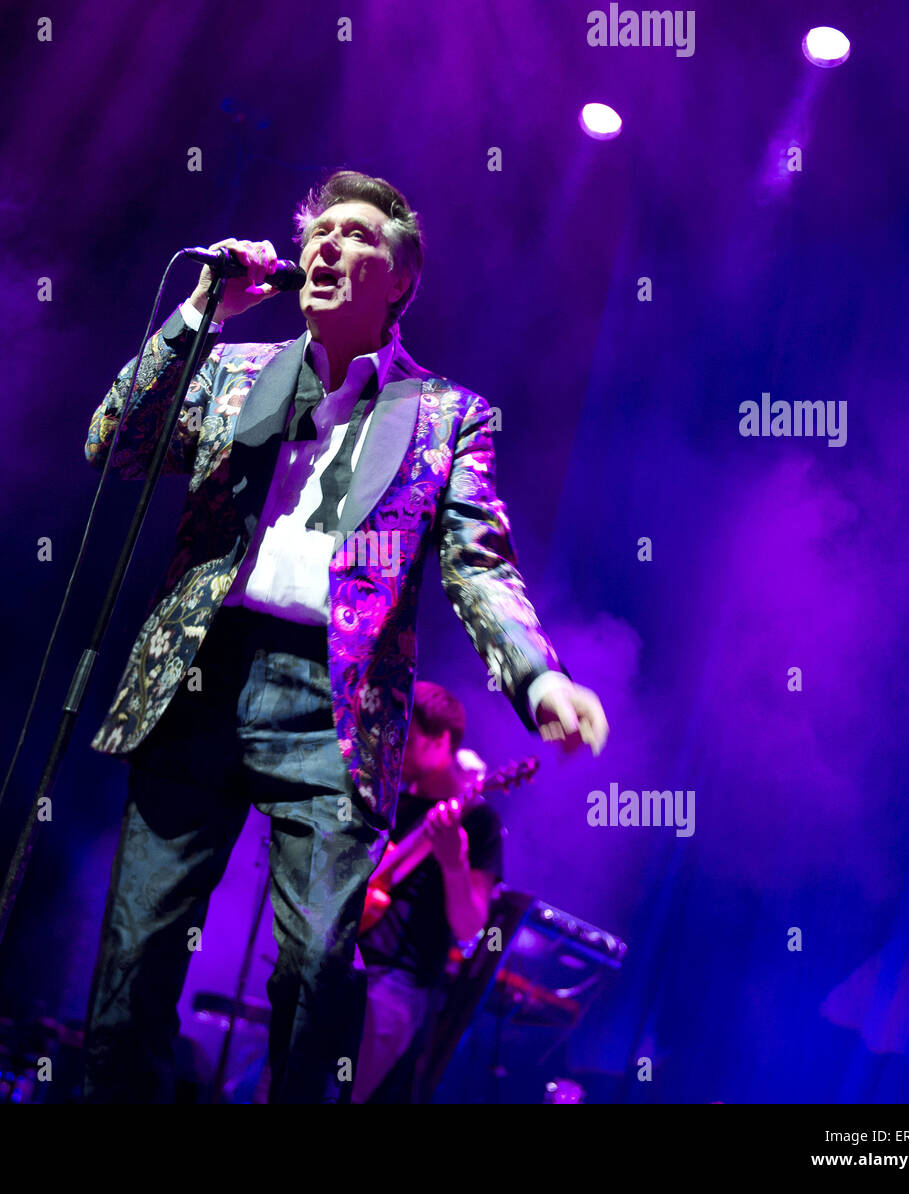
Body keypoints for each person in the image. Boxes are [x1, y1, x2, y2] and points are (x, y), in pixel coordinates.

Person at [81, 170, 608, 1104]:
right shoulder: (236, 367)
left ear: (400, 277)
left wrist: (539, 679)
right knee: (132, 970)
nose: (327, 245)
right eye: (318, 230)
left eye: (355, 235)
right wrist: (202, 311)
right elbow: (115, 443)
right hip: (198, 677)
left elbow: (478, 564)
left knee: (321, 974)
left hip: (335, 708)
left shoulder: (447, 416)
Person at [353, 681, 501, 1103]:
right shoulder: (383, 800)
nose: (394, 744)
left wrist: (454, 862)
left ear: (441, 741)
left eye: (408, 737)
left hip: (397, 982)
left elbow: (471, 925)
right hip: (339, 957)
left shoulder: (479, 822)